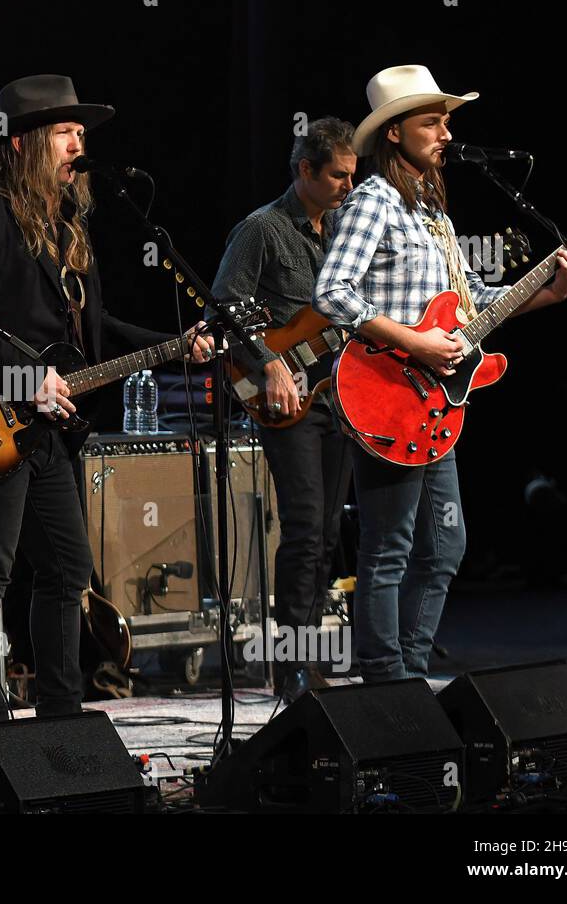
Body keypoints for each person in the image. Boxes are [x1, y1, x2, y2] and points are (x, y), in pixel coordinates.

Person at [0, 74, 216, 723]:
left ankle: (62, 711)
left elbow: (97, 333)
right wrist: (28, 377)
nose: (79, 145)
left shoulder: (67, 225)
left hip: (48, 426)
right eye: (65, 132)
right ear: (25, 142)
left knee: (66, 569)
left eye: (82, 133)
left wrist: (177, 342)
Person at [313, 65, 567, 683]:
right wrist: (417, 343)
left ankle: (409, 669)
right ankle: (384, 677)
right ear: (393, 134)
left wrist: (547, 289)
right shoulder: (373, 198)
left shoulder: (432, 209)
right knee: (390, 548)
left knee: (447, 547)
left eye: (447, 120)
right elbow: (331, 293)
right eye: (431, 121)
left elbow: (470, 303)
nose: (444, 132)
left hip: (434, 403)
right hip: (385, 391)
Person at [210, 116, 356, 700]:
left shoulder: (347, 231)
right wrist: (268, 363)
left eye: (353, 175)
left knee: (326, 532)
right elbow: (222, 306)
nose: (349, 186)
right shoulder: (261, 230)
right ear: (305, 171)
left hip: (341, 394)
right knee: (304, 525)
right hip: (285, 396)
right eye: (338, 176)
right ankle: (291, 666)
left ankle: (308, 659)